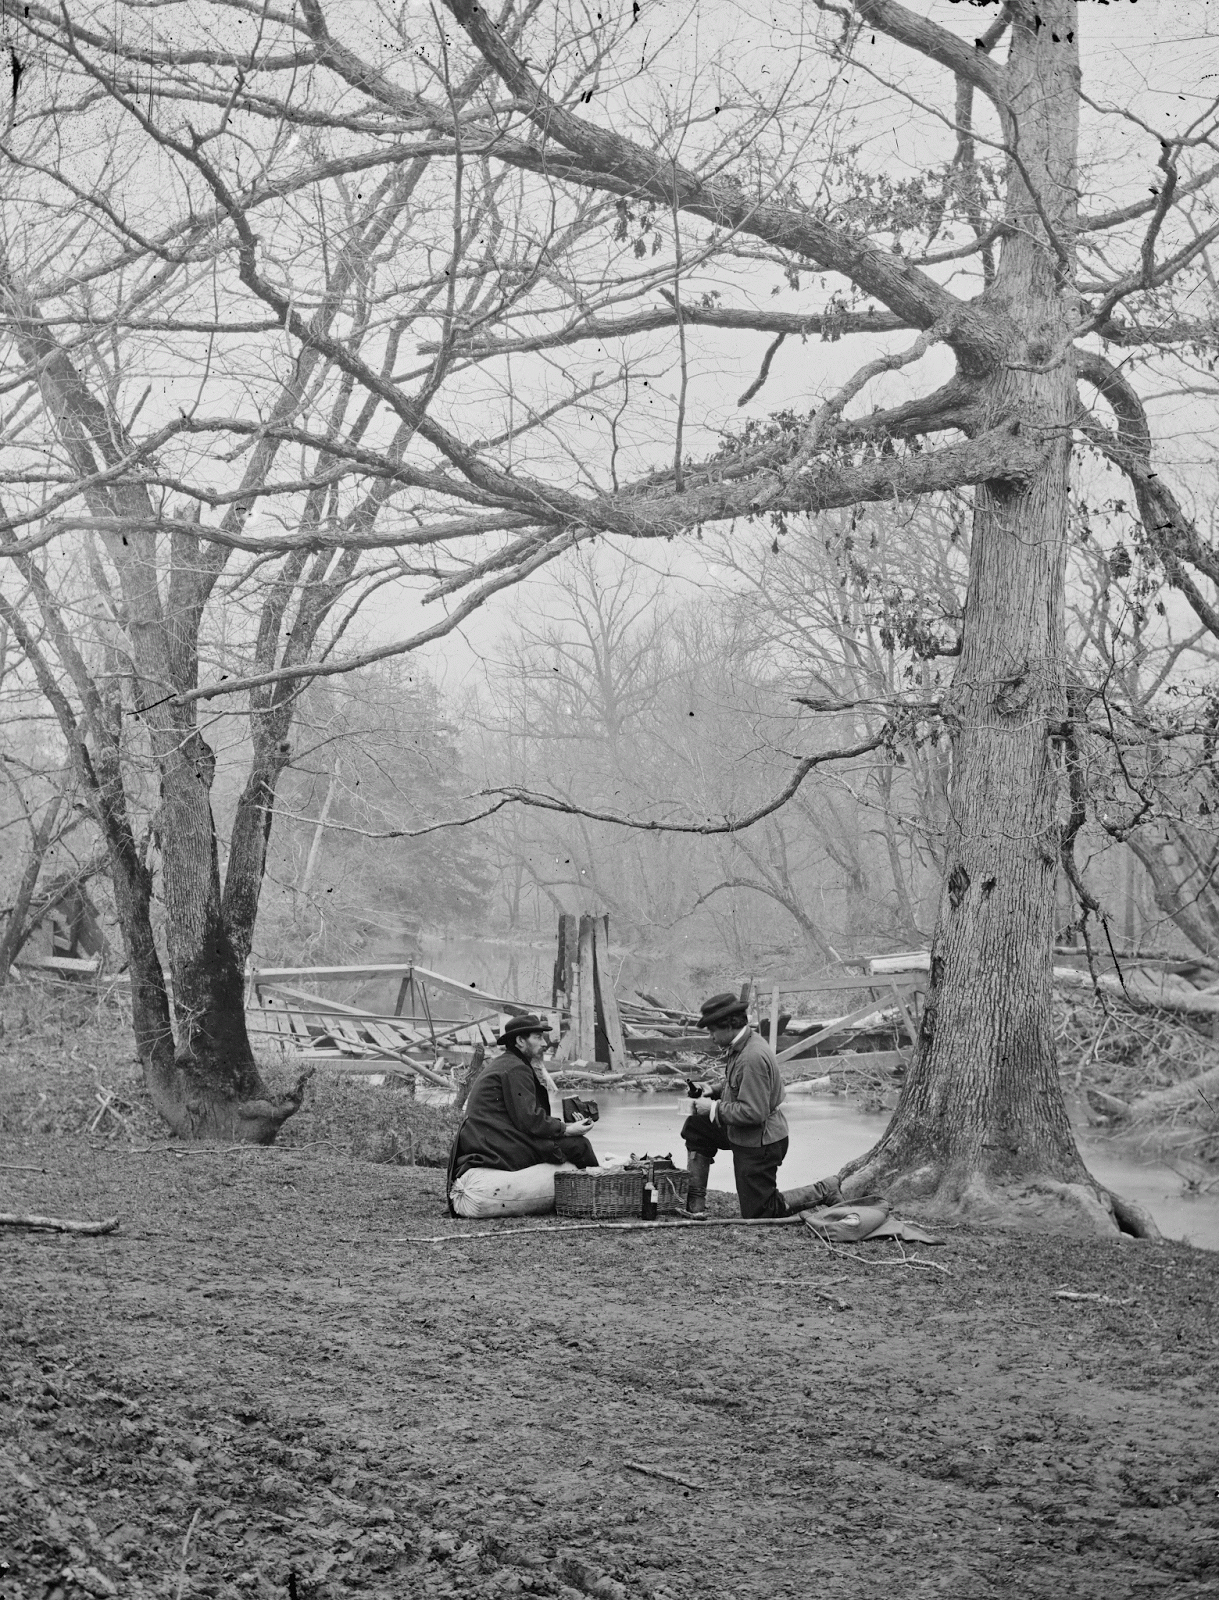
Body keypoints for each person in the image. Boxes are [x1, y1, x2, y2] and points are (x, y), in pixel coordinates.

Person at [681, 991, 841, 1219]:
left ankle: (824, 1189)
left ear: (728, 1025)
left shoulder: (751, 1056)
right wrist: (712, 1090)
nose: (711, 1037)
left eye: (712, 1030)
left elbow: (753, 1112)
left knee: (759, 1213)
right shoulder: (745, 1044)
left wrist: (713, 1108)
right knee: (697, 1126)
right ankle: (695, 1205)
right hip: (745, 1132)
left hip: (761, 1141)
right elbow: (738, 1084)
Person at [447, 1014, 598, 1216]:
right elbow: (530, 1120)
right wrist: (566, 1130)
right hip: (497, 1145)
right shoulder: (515, 1068)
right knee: (580, 1146)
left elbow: (526, 1117)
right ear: (520, 1040)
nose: (544, 1043)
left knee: (570, 1143)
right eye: (537, 1037)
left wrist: (562, 1127)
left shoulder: (507, 1063)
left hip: (491, 1139)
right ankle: (600, 1194)